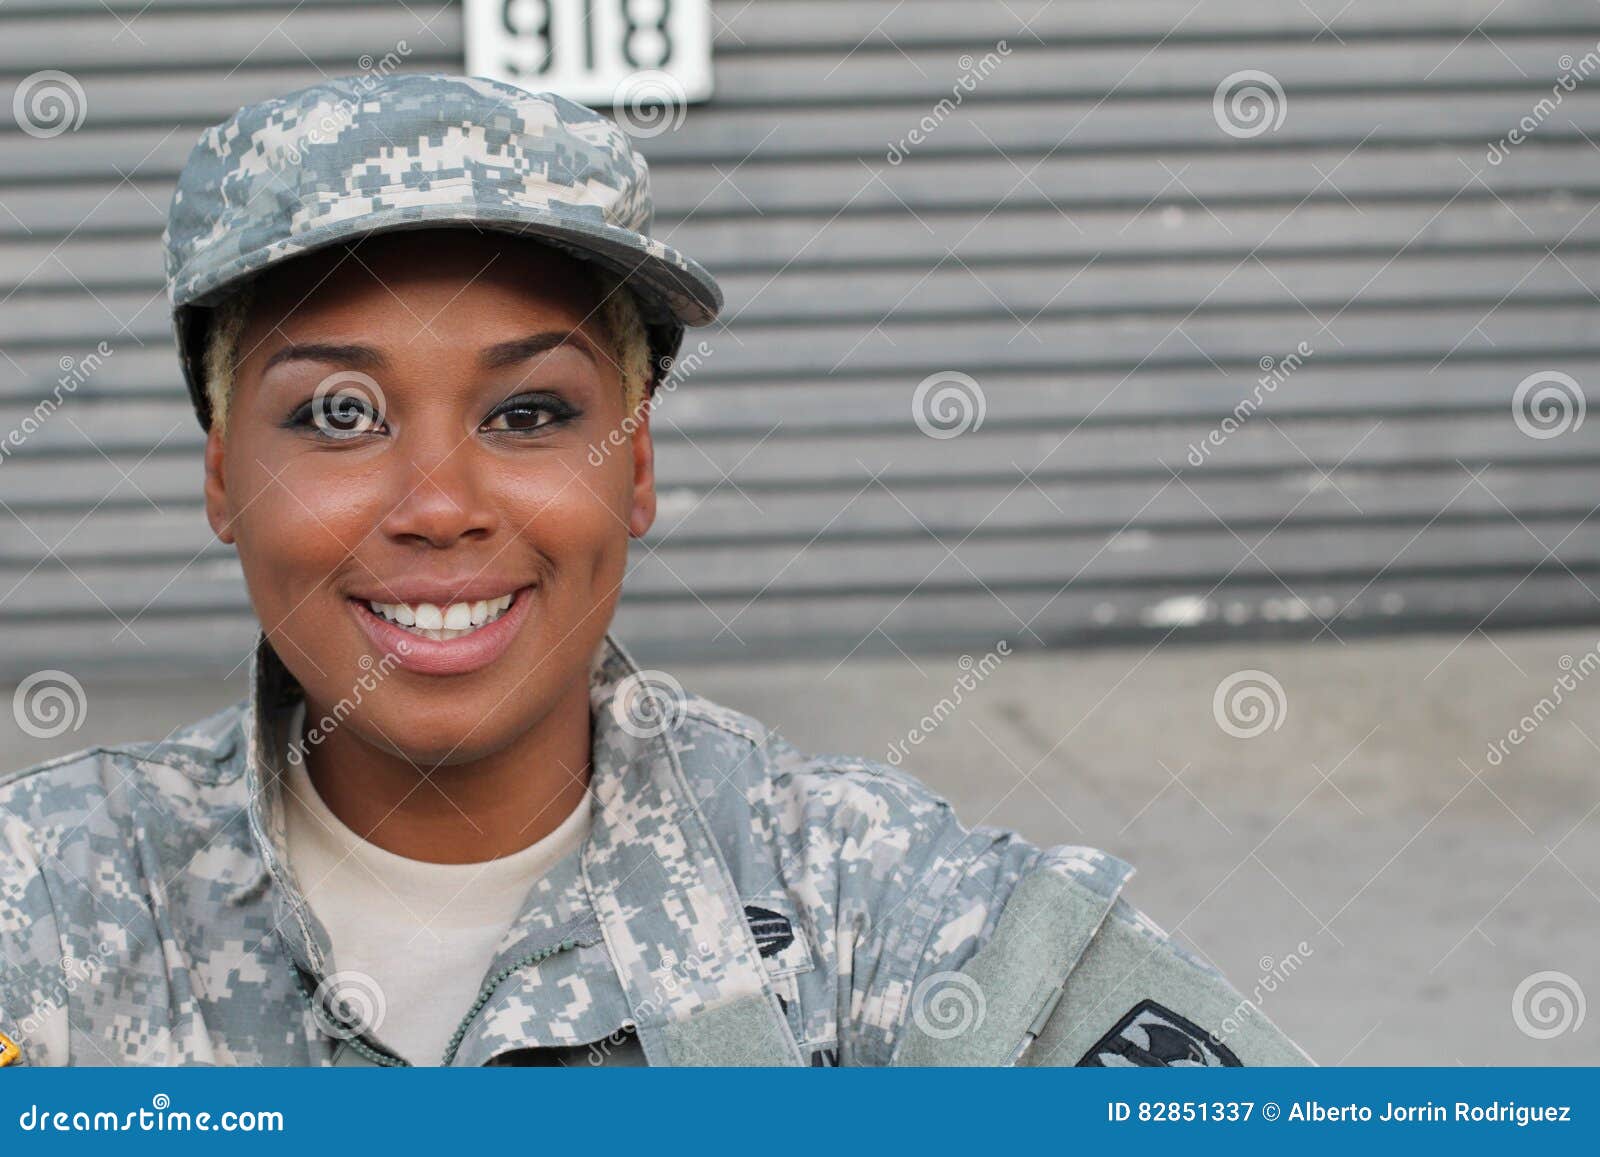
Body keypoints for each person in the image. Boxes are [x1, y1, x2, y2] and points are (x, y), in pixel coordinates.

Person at [0, 74, 1310, 1068]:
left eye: (529, 414)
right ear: (224, 475)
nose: (440, 505)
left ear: (633, 467)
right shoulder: (47, 900)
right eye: (338, 413)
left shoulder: (870, 905)